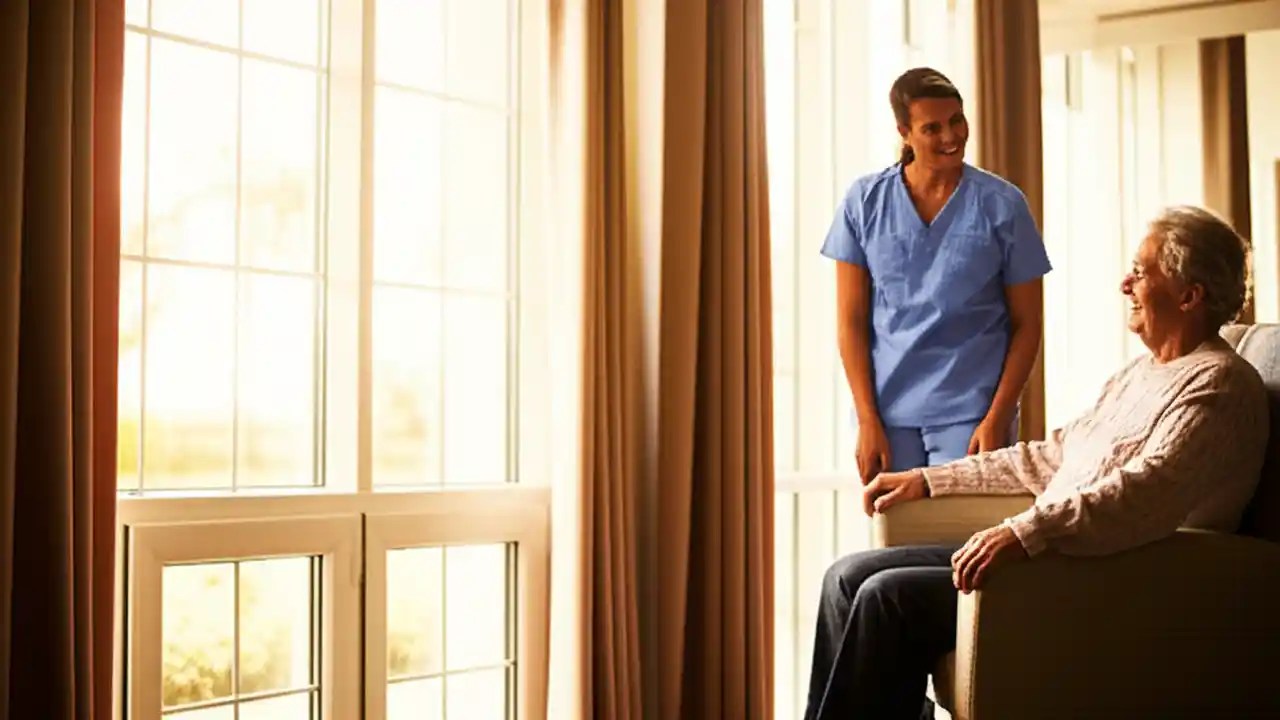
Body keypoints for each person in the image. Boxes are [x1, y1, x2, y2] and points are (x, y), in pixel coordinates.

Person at [805, 205, 1270, 720]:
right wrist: (927, 480)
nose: (1124, 283)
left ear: (1189, 295)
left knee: (885, 600)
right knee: (846, 577)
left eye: (1140, 272)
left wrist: (1025, 531)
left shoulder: (1219, 384)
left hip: (1106, 577)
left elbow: (1144, 490)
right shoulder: (1141, 373)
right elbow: (1050, 457)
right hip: (1053, 560)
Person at [821, 67, 1052, 482]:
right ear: (904, 132)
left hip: (972, 414)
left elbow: (1028, 324)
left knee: (961, 543)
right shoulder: (864, 202)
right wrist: (867, 420)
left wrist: (998, 416)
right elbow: (851, 323)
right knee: (901, 546)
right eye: (932, 128)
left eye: (957, 121)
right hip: (889, 415)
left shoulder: (1003, 206)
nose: (951, 137)